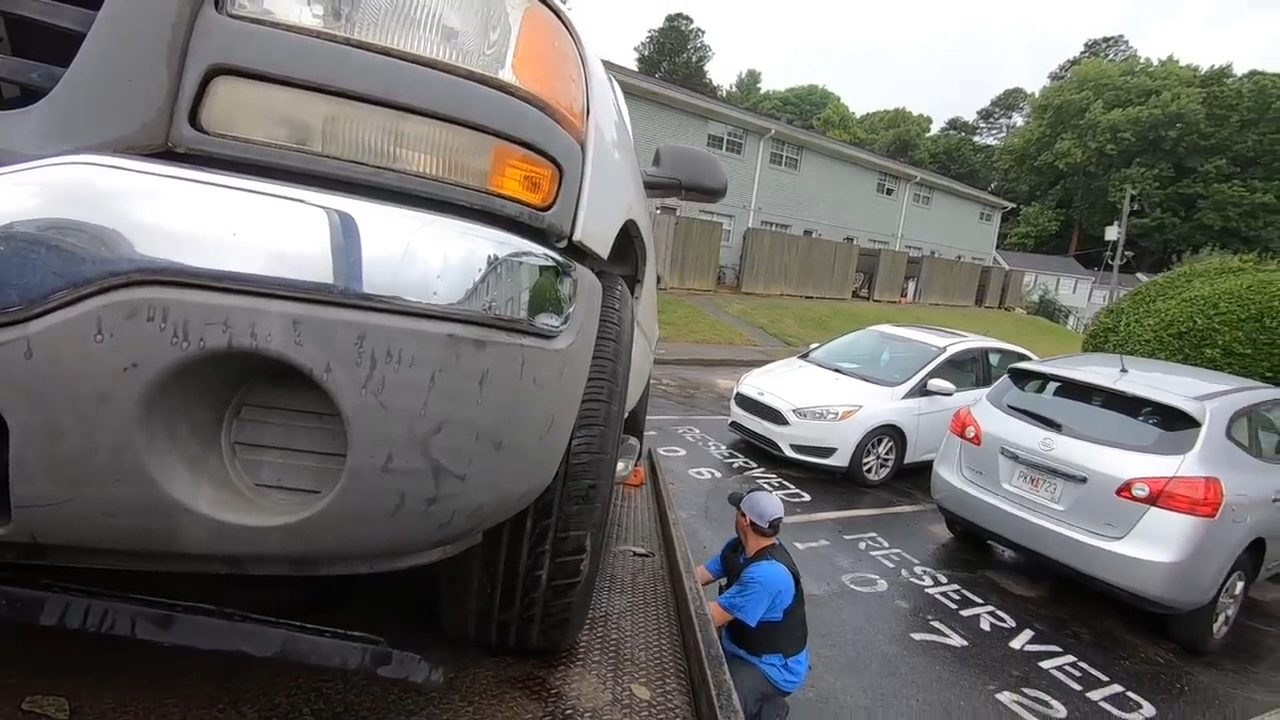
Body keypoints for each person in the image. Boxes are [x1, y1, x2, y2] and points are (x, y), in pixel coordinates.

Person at [694, 489, 809, 719]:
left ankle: (768, 710)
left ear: (745, 520)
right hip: (738, 644)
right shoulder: (738, 548)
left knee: (721, 702)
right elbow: (697, 576)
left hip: (769, 666)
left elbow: (707, 617)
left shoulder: (767, 576)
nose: (735, 514)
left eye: (738, 510)